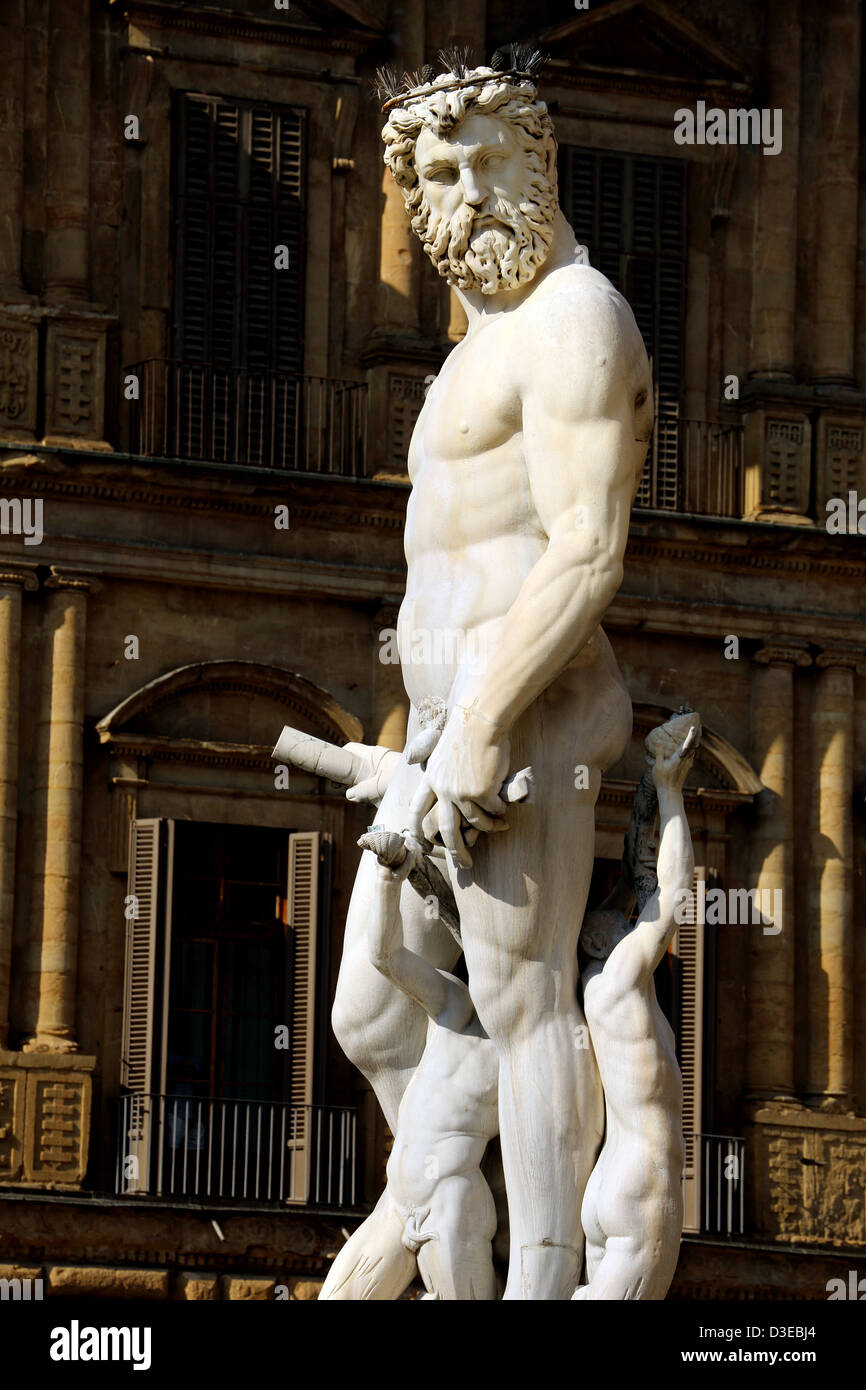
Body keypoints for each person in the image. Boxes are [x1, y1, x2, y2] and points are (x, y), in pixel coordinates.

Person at [332, 52, 652, 1299]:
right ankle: (441, 1218)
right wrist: (429, 730)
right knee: (369, 1009)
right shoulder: (476, 346)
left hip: (529, 704)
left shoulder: (576, 316)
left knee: (523, 1005)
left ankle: (540, 1277)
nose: (463, 195)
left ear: (540, 161)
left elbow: (587, 547)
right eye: (436, 174)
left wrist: (479, 719)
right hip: (444, 724)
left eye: (485, 162)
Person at [320, 828, 498, 1301]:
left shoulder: (529, 1047)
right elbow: (386, 956)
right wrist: (388, 879)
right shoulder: (454, 1006)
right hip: (400, 1201)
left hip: (449, 1206)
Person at [573, 711, 700, 1300]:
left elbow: (634, 885)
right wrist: (671, 793)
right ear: (602, 943)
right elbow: (669, 895)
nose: (630, 925)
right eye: (619, 926)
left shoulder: (593, 992)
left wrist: (646, 799)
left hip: (607, 1188)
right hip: (644, 1185)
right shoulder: (623, 977)